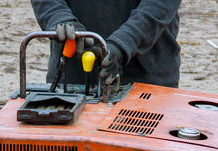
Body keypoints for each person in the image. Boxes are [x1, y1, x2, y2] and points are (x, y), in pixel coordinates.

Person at [30, 0, 182, 89]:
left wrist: (123, 44)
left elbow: (160, 4)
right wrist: (59, 18)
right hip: (71, 74)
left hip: (145, 77)